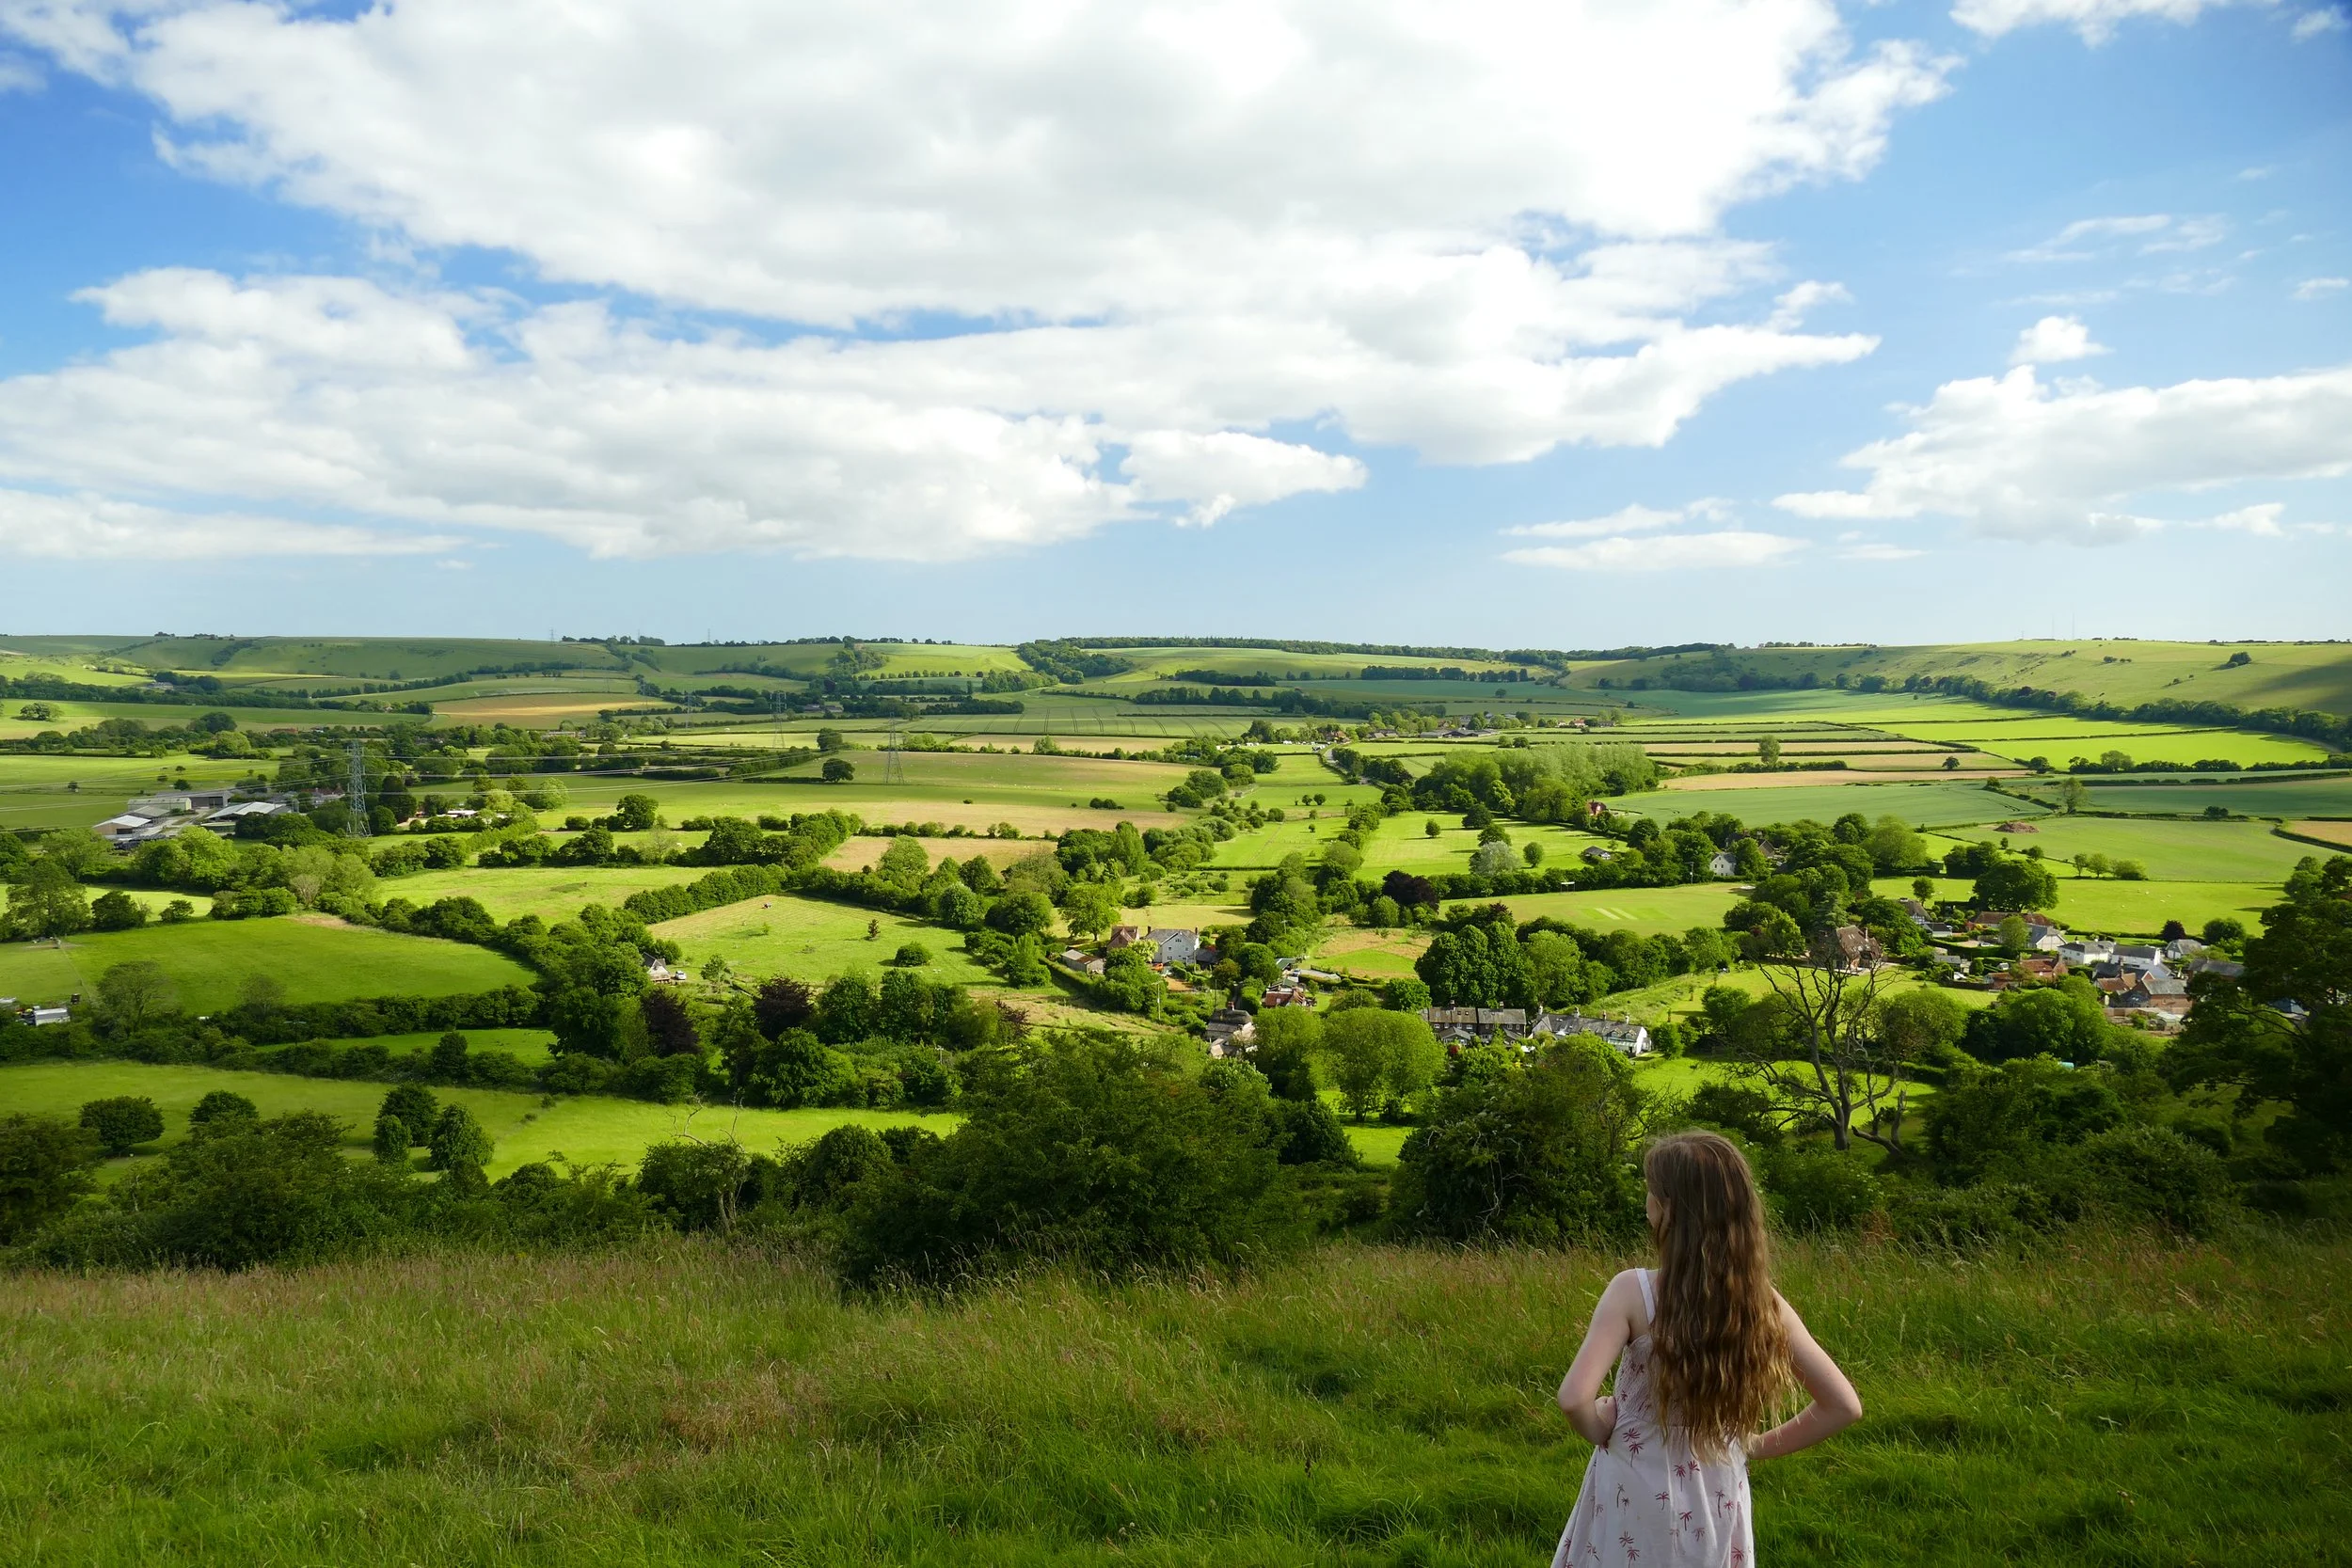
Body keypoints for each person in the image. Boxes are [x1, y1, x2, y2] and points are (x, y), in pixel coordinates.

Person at [1551, 1131, 1863, 1566]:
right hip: (1716, 1493)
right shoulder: (1761, 1303)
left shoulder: (1633, 1292)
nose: (1646, 1203)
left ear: (1668, 1209)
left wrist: (1601, 1428)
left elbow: (1573, 1399)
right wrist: (1752, 1446)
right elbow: (1842, 1405)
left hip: (1633, 1488)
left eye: (1650, 1193)